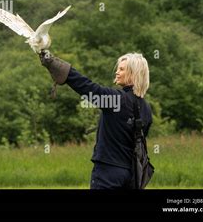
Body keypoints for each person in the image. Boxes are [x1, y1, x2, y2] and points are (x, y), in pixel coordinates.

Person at [39, 51, 153, 189]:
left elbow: (88, 87)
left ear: (134, 74)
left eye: (122, 69)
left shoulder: (116, 100)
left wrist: (58, 67)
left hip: (108, 173)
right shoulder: (146, 108)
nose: (117, 72)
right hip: (130, 175)